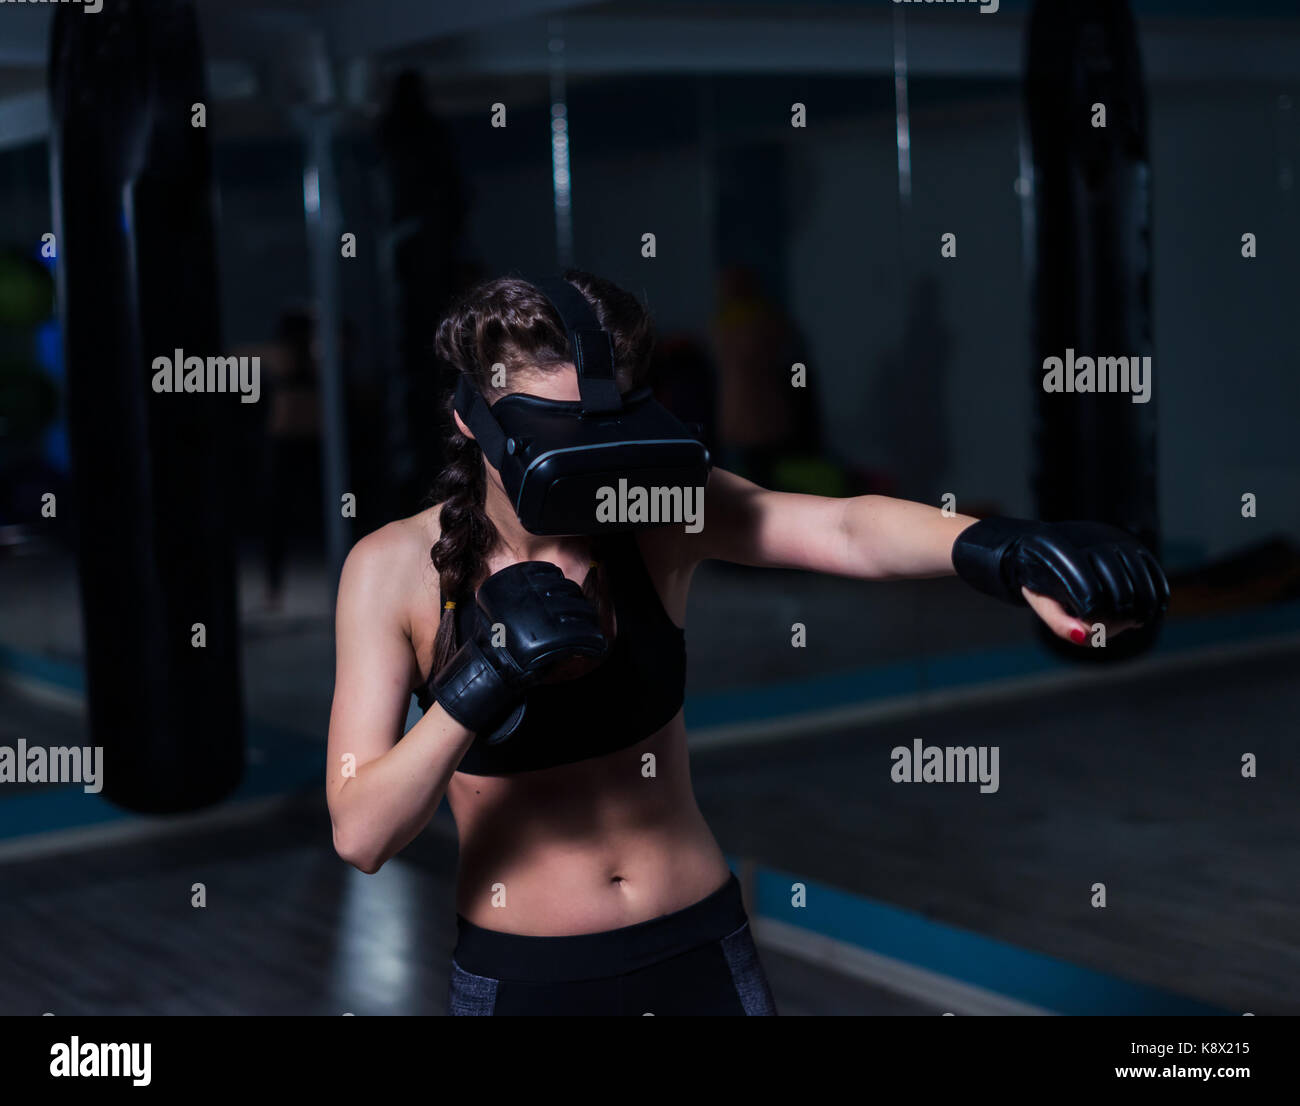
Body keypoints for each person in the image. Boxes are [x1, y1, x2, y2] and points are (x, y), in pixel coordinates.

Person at [324, 272, 1167, 1016]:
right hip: (524, 976)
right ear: (474, 422)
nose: (589, 460)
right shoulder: (394, 570)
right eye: (558, 434)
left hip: (697, 950)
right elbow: (363, 835)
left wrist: (1003, 551)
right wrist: (485, 676)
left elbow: (841, 527)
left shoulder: (650, 514)